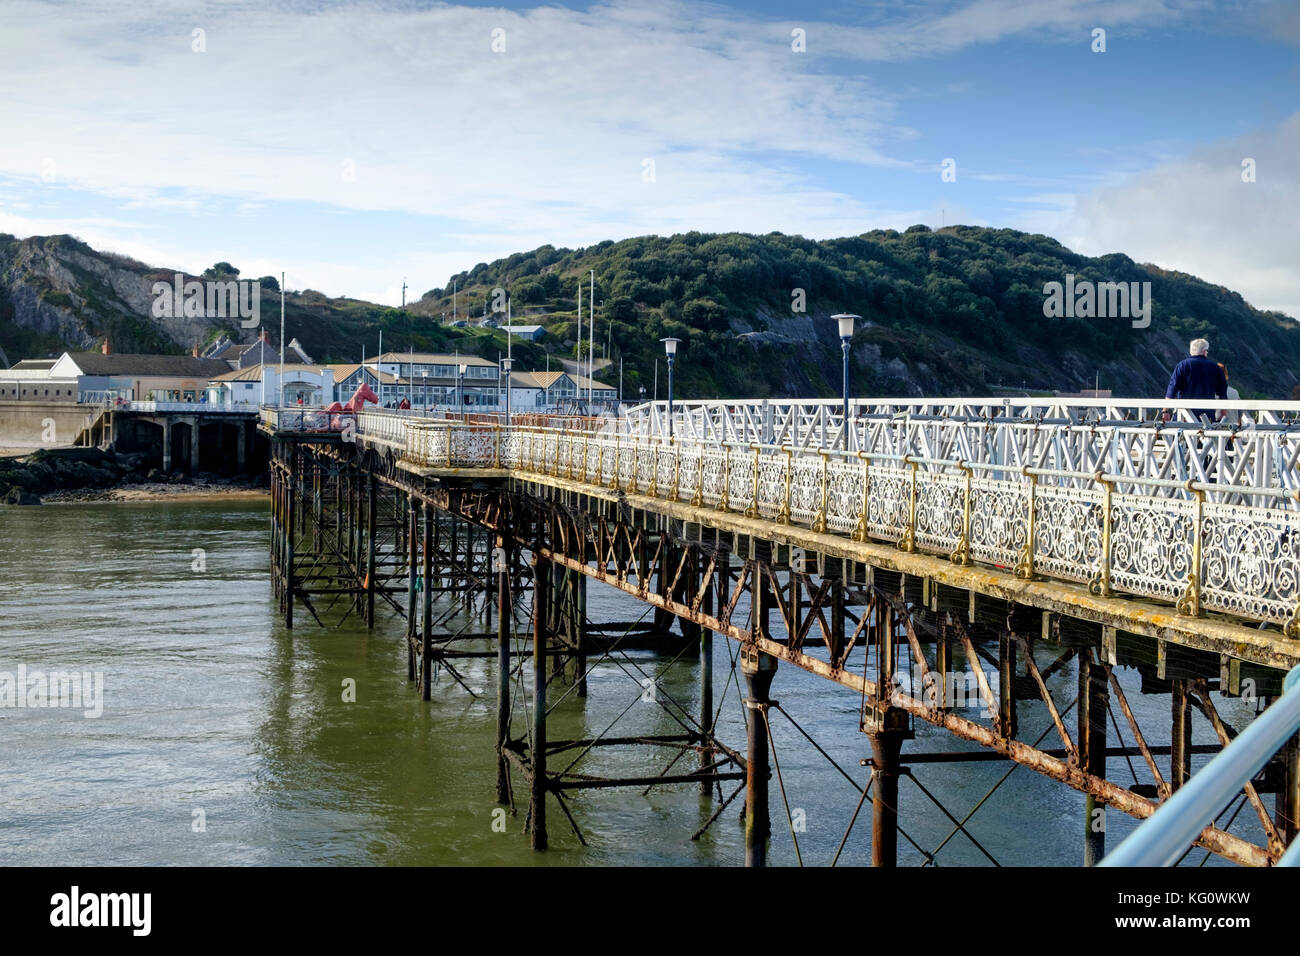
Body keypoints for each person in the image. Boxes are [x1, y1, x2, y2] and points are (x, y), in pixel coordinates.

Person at [1163, 338, 1226, 423]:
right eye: (1207, 351)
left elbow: (1172, 389)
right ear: (1204, 351)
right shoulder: (1215, 367)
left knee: (1181, 435)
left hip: (1184, 416)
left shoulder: (1183, 365)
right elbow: (1222, 393)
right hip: (1207, 417)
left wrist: (1165, 411)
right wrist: (1223, 414)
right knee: (1207, 436)